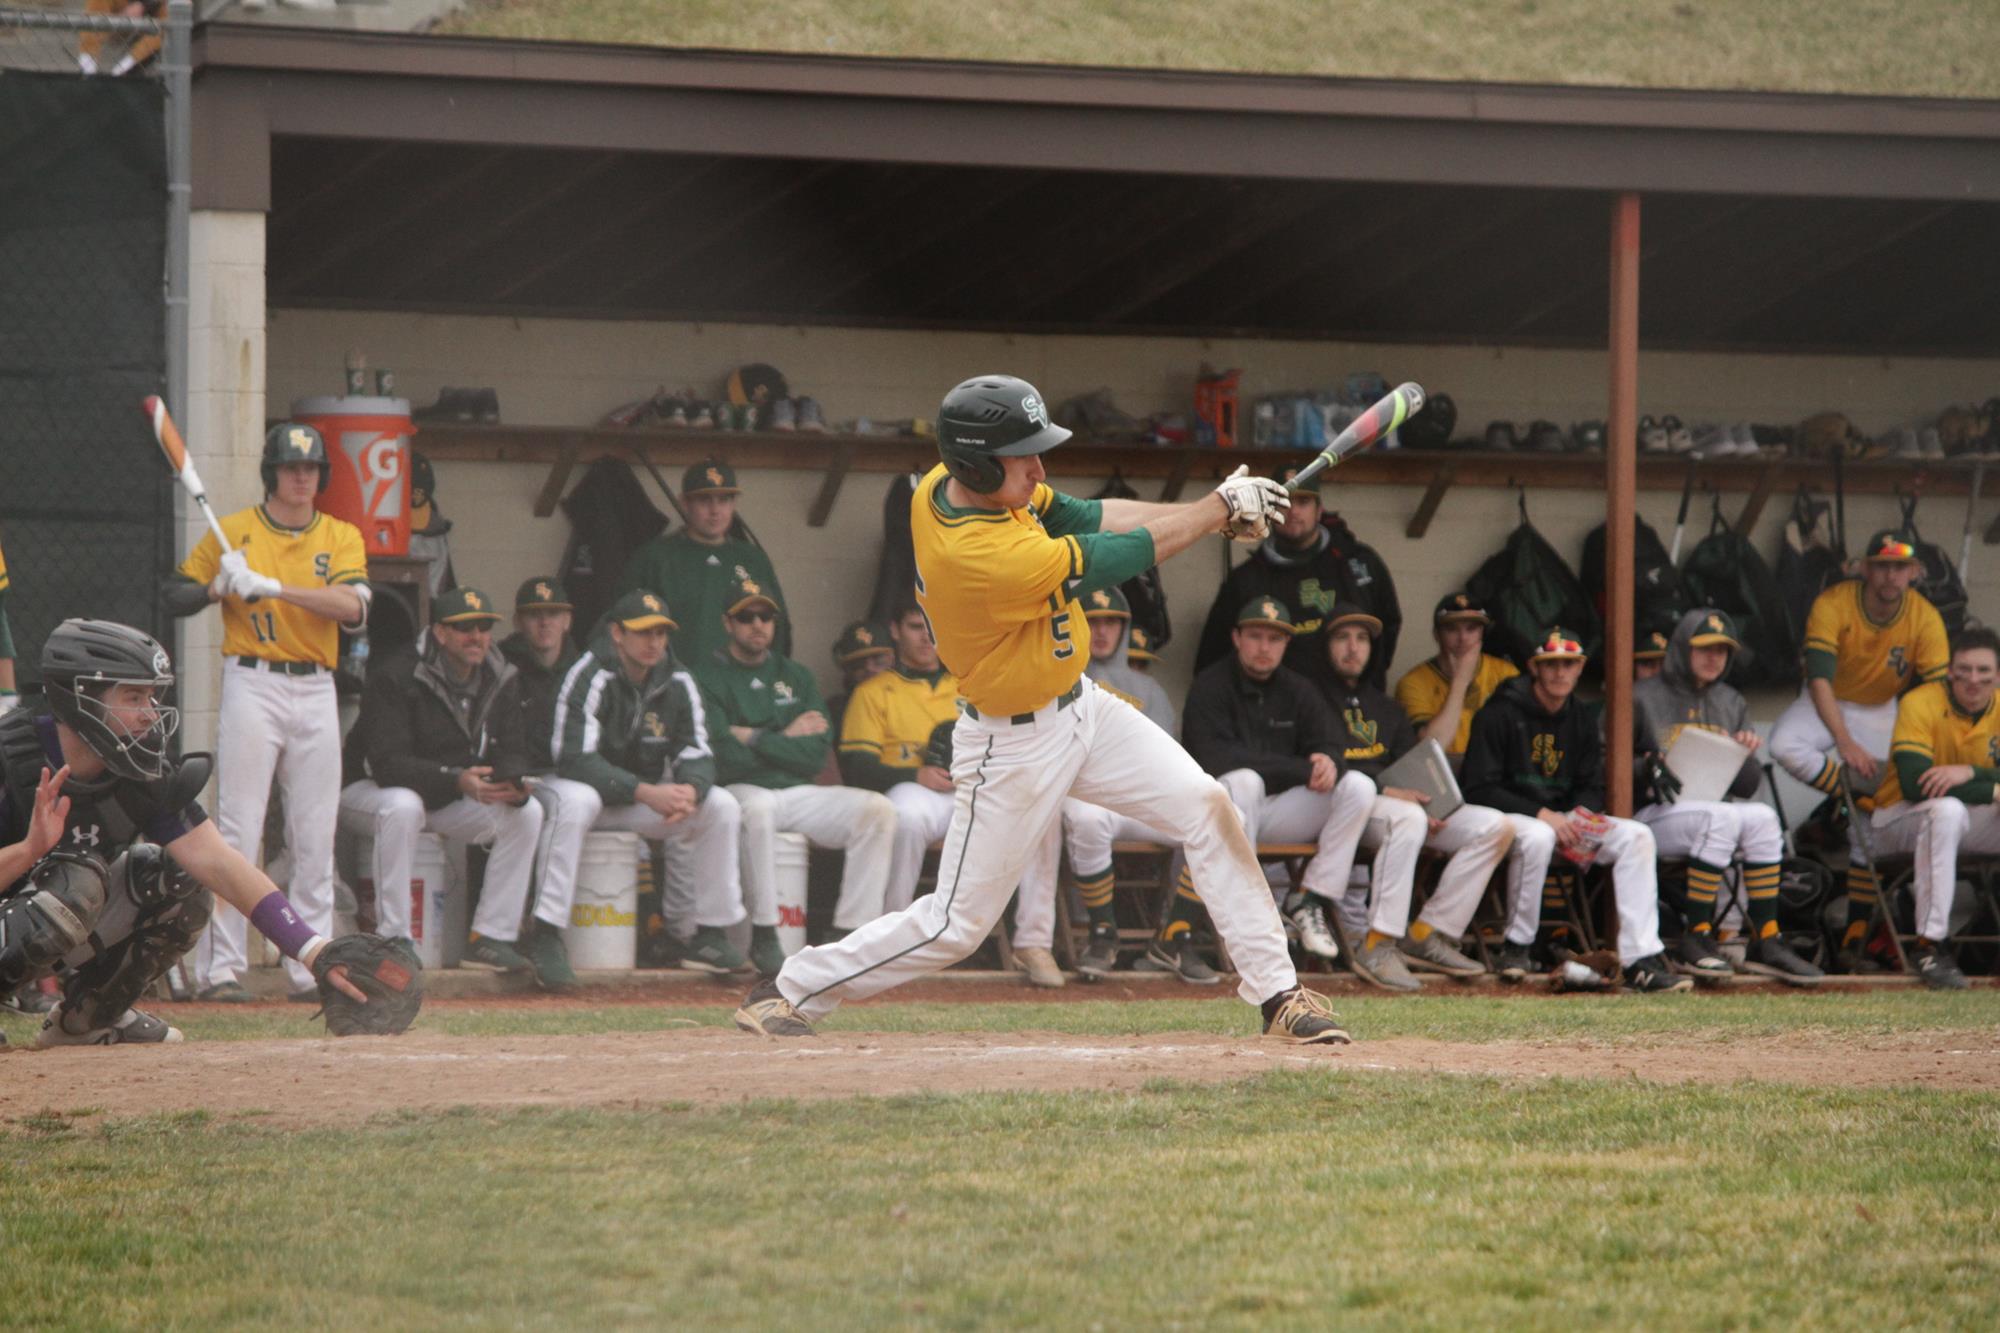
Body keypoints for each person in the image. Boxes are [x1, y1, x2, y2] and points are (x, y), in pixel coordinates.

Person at [735, 373, 1347, 1044]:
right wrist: (1212, 513)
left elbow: (1094, 515)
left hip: (1081, 707)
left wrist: (1213, 505)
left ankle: (1277, 993)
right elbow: (1124, 553)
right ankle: (788, 988)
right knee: (955, 925)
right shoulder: (981, 554)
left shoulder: (958, 483)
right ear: (975, 460)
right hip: (1010, 743)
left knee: (1209, 805)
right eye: (1022, 455)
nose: (1038, 468)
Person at [0, 621, 366, 1046]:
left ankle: (87, 1020)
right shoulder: (10, 758)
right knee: (72, 885)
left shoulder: (138, 769)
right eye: (133, 697)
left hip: (37, 920)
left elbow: (219, 863)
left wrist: (312, 950)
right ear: (80, 696)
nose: (149, 714)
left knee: (179, 879)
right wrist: (28, 851)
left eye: (152, 697)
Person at [164, 422, 368, 1004]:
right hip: (252, 681)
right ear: (272, 472)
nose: (301, 477)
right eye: (290, 467)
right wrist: (217, 588)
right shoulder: (234, 533)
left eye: (310, 468)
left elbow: (352, 606)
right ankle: (223, 969)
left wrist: (274, 586)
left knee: (314, 833)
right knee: (237, 828)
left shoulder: (341, 535)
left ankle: (311, 967)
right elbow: (173, 594)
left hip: (316, 685)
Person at [338, 587, 565, 982]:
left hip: (444, 796)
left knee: (526, 815)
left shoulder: (500, 673)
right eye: (465, 628)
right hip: (365, 791)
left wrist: (513, 782)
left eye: (483, 627)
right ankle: (394, 938)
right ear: (440, 633)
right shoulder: (397, 672)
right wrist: (455, 779)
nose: (476, 637)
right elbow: (388, 764)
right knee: (403, 805)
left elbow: (513, 745)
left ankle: (492, 936)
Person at [1461, 626, 1688, 992]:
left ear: (1580, 668)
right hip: (1516, 817)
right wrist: (1543, 815)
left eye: (1569, 664)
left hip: (1563, 820)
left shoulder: (1580, 717)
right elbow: (1480, 788)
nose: (1560, 672)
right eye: (1551, 664)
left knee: (1637, 835)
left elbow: (1592, 784)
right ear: (1535, 667)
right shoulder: (1499, 713)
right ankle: (1517, 947)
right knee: (1537, 836)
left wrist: (1581, 816)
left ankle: (1639, 959)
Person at [693, 573, 898, 975]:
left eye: (765, 617)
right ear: (728, 624)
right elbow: (722, 755)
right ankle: (765, 933)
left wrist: (752, 736)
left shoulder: (797, 676)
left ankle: (850, 937)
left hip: (799, 791)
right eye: (746, 617)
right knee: (759, 810)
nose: (757, 625)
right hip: (740, 791)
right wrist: (784, 737)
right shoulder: (707, 677)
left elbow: (813, 756)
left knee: (878, 810)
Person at [1180, 596, 1376, 987]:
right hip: (1227, 817)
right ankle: (1244, 912)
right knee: (1243, 781)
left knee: (1358, 786)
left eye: (1275, 638)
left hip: (1280, 814)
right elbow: (1214, 758)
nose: (1265, 647)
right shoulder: (1211, 684)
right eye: (1255, 636)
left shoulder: (1299, 689)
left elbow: (1333, 743)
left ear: (1287, 643)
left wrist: (1328, 761)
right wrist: (1301, 768)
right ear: (1237, 638)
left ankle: (1311, 899)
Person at [1769, 531, 1948, 959]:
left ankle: (1857, 930)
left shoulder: (1924, 616)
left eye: (1899, 567)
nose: (1890, 576)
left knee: (1873, 817)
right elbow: (1819, 680)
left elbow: (1938, 692)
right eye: (1882, 565)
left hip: (1881, 709)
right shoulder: (1836, 601)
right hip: (1824, 700)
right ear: (1865, 568)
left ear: (1914, 572)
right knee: (1783, 744)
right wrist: (1844, 743)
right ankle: (1851, 792)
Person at [1317, 603, 1515, 987]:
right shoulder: (1309, 697)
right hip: (1345, 807)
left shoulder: (1385, 706)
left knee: (1495, 826)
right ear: (1325, 646)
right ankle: (1377, 943)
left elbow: (1413, 761)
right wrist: (1389, 790)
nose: (1353, 648)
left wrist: (1432, 803)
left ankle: (1427, 933)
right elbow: (1319, 763)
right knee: (1406, 818)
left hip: (1397, 805)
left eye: (1361, 639)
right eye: (1342, 638)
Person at [553, 590, 750, 974]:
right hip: (587, 794)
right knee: (575, 801)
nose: (654, 642)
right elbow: (574, 759)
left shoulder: (677, 677)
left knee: (720, 805)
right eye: (643, 633)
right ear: (617, 633)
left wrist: (691, 788)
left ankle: (708, 935)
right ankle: (547, 931)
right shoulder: (590, 672)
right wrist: (646, 792)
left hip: (636, 801)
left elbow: (697, 749)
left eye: (661, 632)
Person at [1633, 609, 1822, 984]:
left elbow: (1747, 786)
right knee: (1719, 818)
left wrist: (1745, 754)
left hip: (1709, 817)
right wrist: (1645, 765)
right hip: (1650, 814)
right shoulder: (1642, 696)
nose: (1713, 658)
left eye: (1721, 651)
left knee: (1763, 818)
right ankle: (1697, 937)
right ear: (1681, 650)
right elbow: (1603, 763)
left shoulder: (1730, 701)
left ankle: (1767, 938)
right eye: (1704, 649)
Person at [1015, 586, 1183, 986]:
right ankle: (1100, 935)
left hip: (1138, 796)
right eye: (1092, 621)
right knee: (1082, 817)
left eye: (1112, 622)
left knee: (1209, 817)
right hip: (1081, 796)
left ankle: (1178, 934)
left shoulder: (1150, 690)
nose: (1103, 631)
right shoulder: (1055, 679)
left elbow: (1166, 760)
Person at [1853, 627, 2000, 989]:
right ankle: (1930, 945)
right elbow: (1914, 782)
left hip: (1965, 823)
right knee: (1945, 810)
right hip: (1895, 821)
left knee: (1951, 809)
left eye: (1984, 671)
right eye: (1963, 669)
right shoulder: (1921, 701)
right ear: (1949, 671)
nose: (1973, 679)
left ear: (1997, 675)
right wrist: (1993, 786)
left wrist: (1970, 772)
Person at [1195, 465, 1399, 693]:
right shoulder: (1246, 579)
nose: (1293, 512)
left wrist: (1366, 686)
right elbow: (1213, 656)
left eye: (1303, 502)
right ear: (1269, 511)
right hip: (1276, 714)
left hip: (1349, 707)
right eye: (1284, 503)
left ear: (1319, 510)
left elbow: (1387, 629)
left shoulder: (1358, 563)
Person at [497, 575, 604, 991]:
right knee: (549, 806)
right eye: (534, 615)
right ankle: (505, 933)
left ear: (568, 620)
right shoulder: (501, 661)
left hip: (565, 775)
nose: (544, 623)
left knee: (574, 801)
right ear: (519, 621)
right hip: (512, 775)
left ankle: (546, 930)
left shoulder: (588, 667)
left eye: (553, 614)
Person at [837, 602, 962, 914]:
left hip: (970, 790)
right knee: (906, 817)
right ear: (895, 630)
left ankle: (1030, 941)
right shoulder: (873, 691)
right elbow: (857, 768)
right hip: (915, 791)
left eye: (933, 627)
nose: (926, 637)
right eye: (916, 626)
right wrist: (913, 776)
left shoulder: (970, 686)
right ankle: (894, 924)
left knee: (1033, 814)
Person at [615, 460, 789, 665]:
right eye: (704, 500)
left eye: (724, 500)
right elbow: (618, 625)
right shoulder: (653, 557)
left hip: (736, 687)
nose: (715, 510)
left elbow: (780, 630)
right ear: (685, 503)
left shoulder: (752, 558)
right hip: (672, 686)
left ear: (734, 504)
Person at [1395, 593, 1520, 763]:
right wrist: (1460, 681)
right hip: (1441, 771)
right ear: (1436, 635)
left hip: (1494, 769)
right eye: (1452, 629)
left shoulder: (1506, 673)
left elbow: (1519, 741)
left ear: (1482, 633)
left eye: (1471, 629)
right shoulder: (1412, 682)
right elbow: (1430, 750)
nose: (1463, 638)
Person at [826, 620, 894, 740]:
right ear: (846, 668)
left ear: (892, 660)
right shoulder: (833, 711)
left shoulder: (912, 699)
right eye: (859, 663)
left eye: (878, 659)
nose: (869, 668)